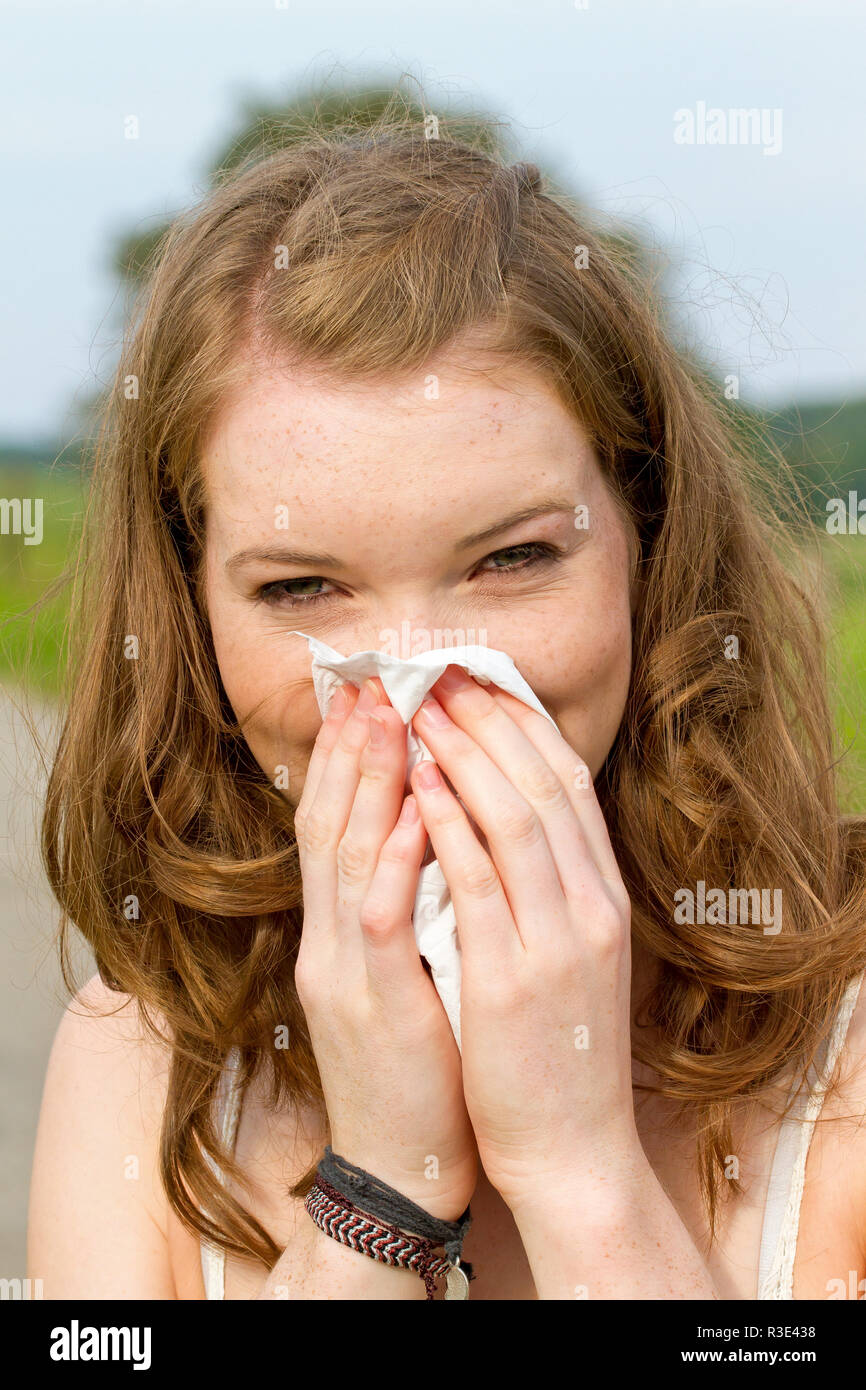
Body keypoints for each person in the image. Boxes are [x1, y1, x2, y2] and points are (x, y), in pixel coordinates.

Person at [27, 107, 866, 1300]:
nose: (414, 681)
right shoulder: (139, 1063)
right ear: (193, 610)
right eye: (303, 585)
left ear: (646, 538)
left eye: (510, 559)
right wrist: (382, 1186)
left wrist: (578, 1174)